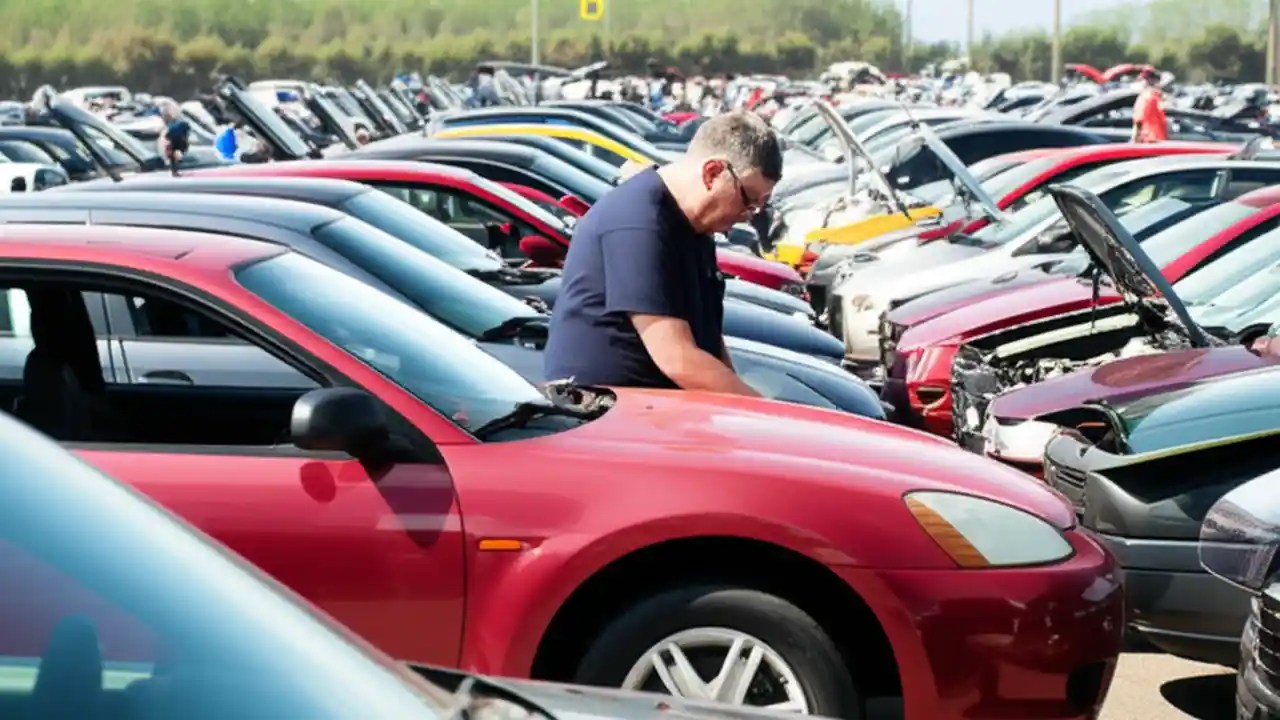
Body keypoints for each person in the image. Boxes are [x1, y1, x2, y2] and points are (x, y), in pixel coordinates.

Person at [544, 111, 782, 396]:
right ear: (713, 173)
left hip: (658, 414)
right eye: (747, 200)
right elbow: (678, 359)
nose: (748, 216)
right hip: (606, 420)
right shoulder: (638, 222)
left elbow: (708, 341)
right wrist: (770, 415)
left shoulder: (694, 227)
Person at [1131, 68, 1168, 143]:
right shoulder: (1154, 97)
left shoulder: (1146, 97)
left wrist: (1134, 140)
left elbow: (1138, 120)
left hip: (1149, 140)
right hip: (1154, 140)